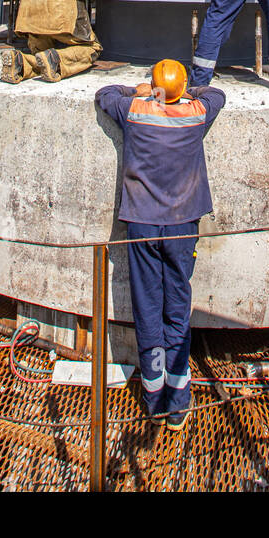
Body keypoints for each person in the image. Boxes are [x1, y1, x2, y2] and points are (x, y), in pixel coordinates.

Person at [95, 59, 226, 429]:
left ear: (153, 85)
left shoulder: (134, 110)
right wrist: (186, 93)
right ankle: (178, 401)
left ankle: (154, 401)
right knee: (178, 306)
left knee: (147, 305)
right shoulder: (196, 114)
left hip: (143, 223)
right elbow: (217, 94)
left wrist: (138, 90)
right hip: (183, 224)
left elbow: (104, 94)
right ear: (182, 89)